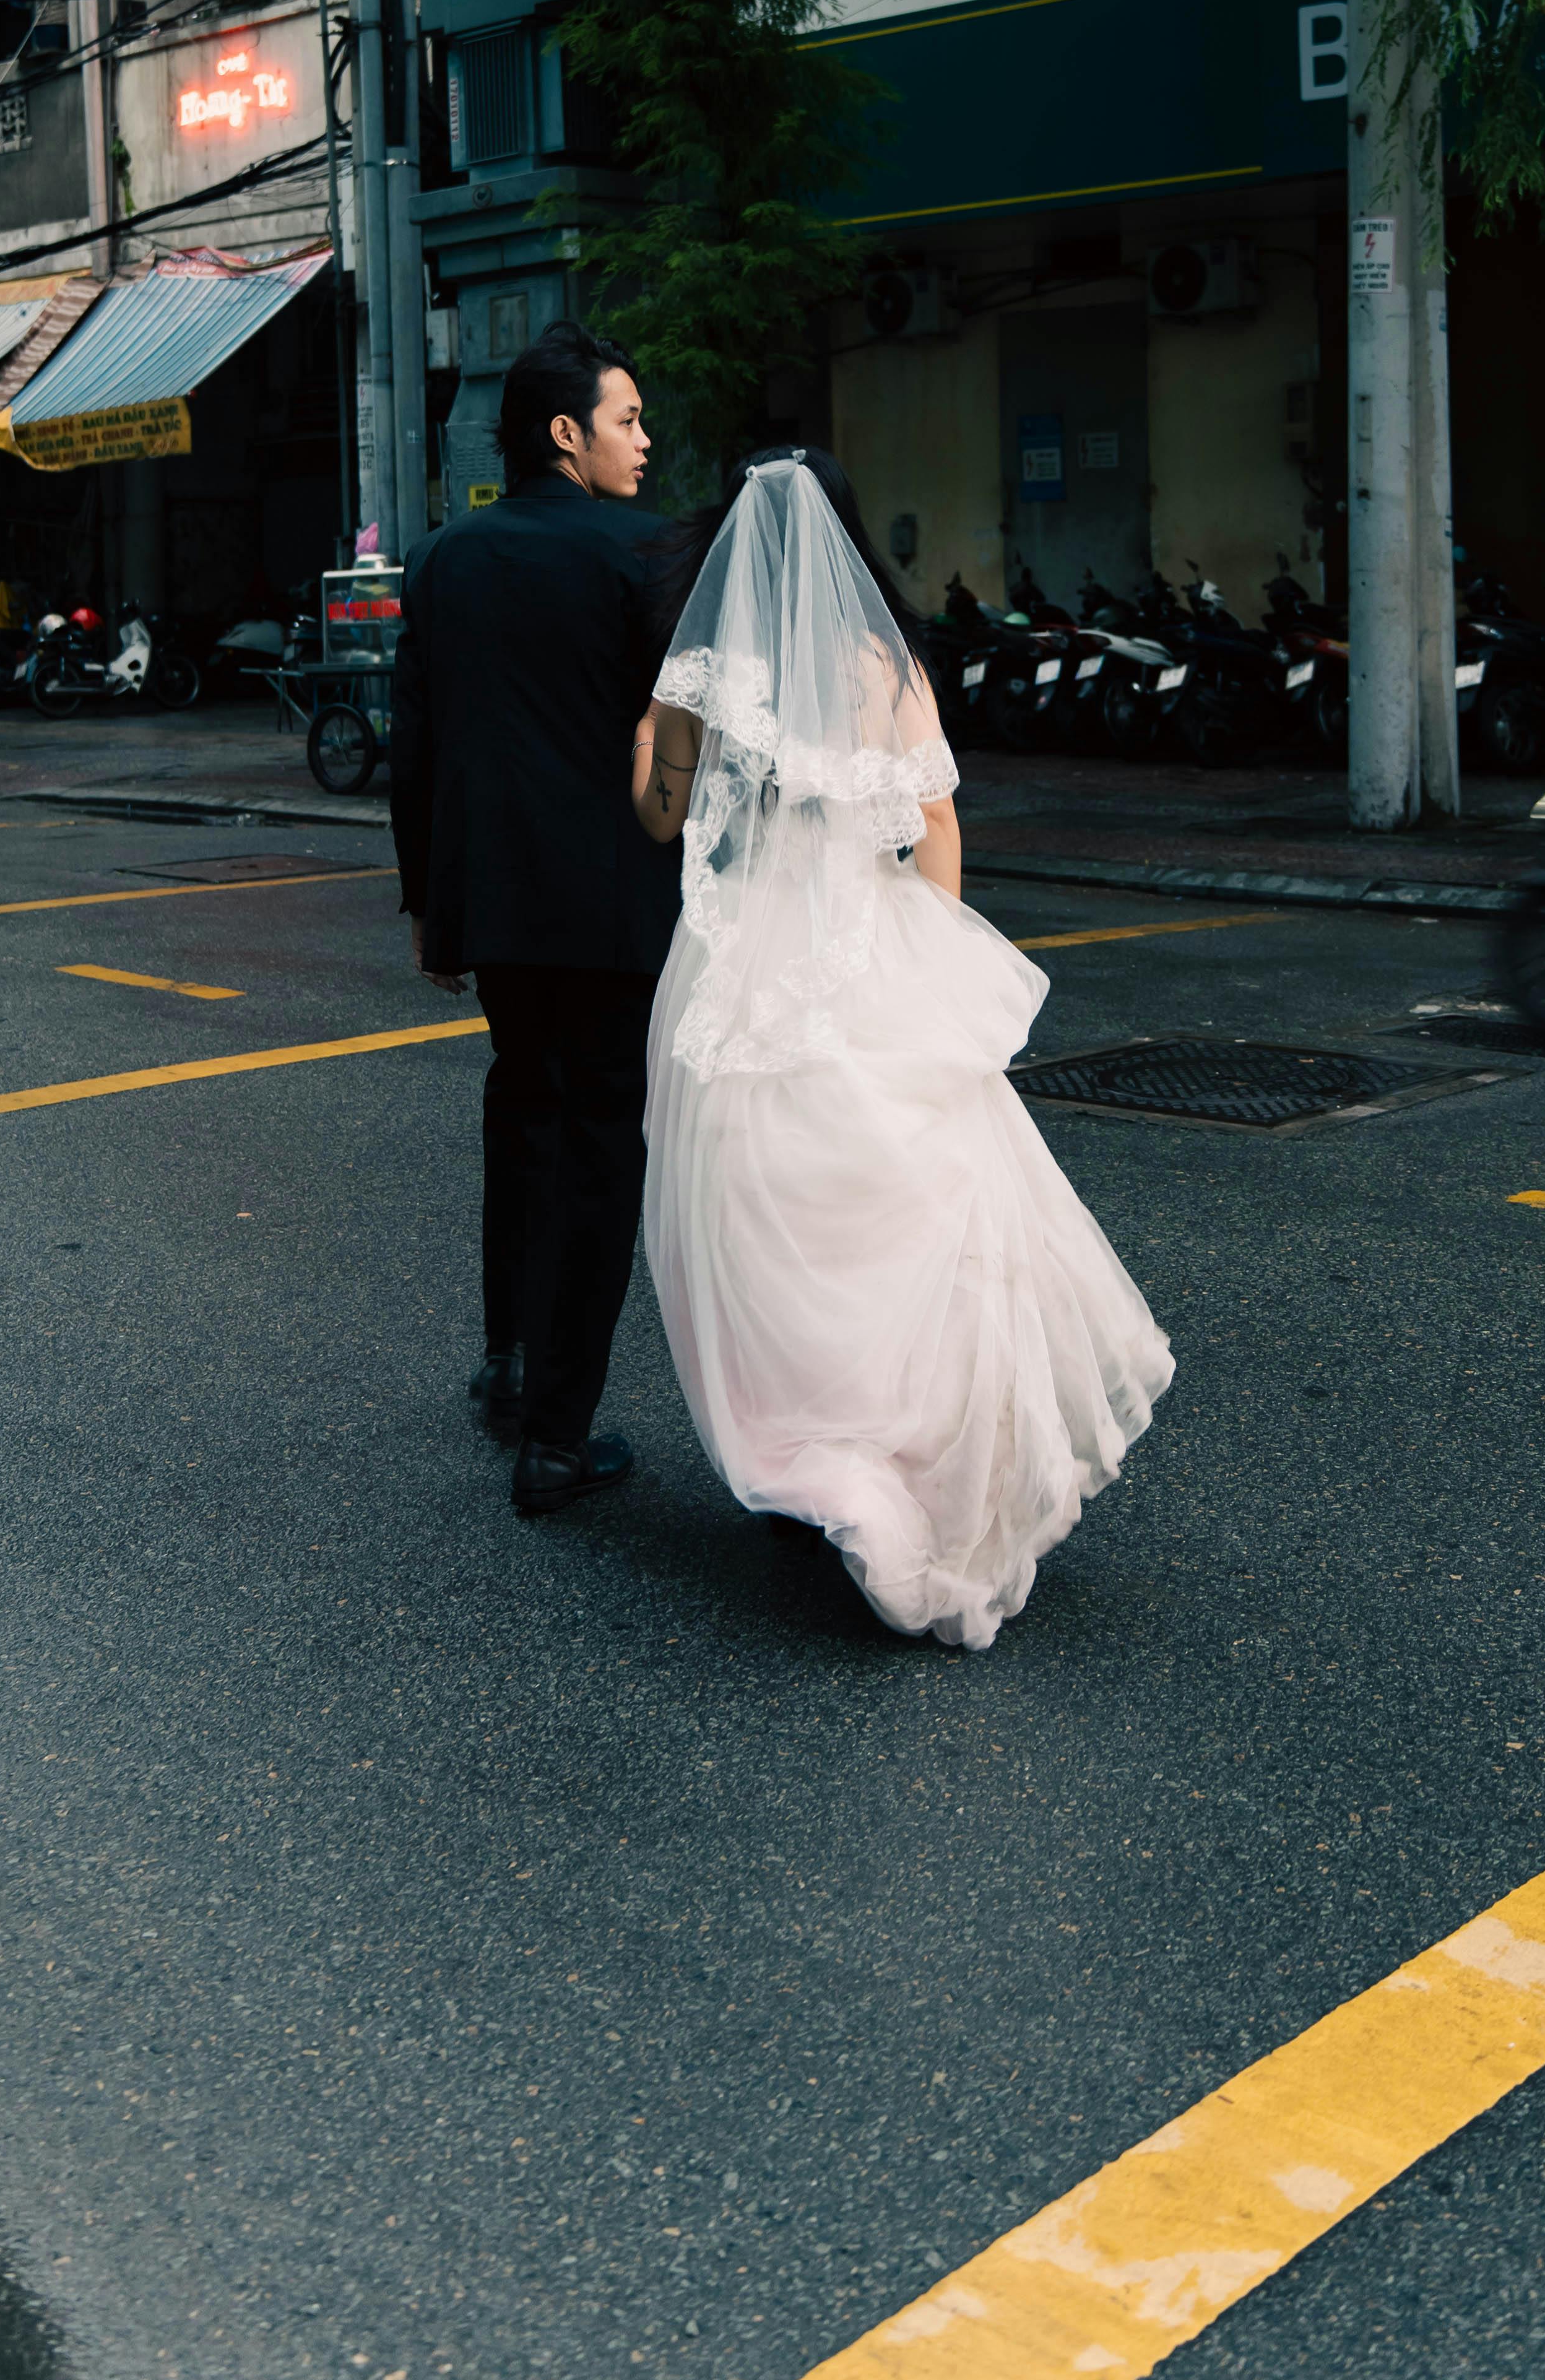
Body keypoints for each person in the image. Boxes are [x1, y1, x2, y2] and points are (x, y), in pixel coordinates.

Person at [629, 449, 1172, 1650]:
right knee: (905, 1215)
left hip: (741, 961)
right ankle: (895, 1456)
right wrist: (929, 942)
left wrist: (661, 738)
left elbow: (662, 818)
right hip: (862, 941)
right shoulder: (885, 664)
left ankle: (805, 1457)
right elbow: (932, 821)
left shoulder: (704, 672)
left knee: (752, 1218)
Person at [389, 320, 680, 1515]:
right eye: (627, 420)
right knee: (604, 1151)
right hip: (611, 911)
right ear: (566, 434)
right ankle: (558, 1437)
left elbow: (420, 745)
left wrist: (427, 901)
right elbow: (672, 760)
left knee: (524, 1112)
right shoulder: (648, 553)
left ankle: (509, 1362)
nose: (646, 442)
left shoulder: (446, 558)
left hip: (495, 906)